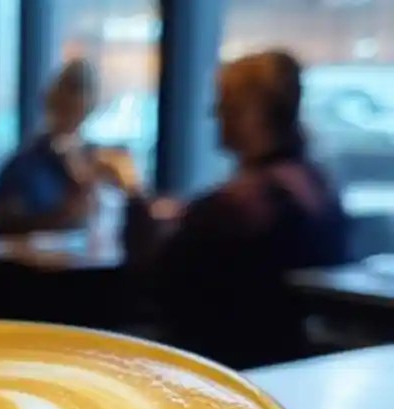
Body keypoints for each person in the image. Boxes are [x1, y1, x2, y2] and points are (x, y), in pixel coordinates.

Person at [100, 51, 349, 369]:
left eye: (224, 103)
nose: (213, 114)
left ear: (251, 113)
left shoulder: (240, 206)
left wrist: (131, 191)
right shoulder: (317, 185)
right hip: (293, 366)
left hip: (219, 368)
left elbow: (153, 280)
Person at [0, 59, 101, 234]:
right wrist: (65, 213)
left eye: (79, 115)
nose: (72, 123)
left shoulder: (94, 162)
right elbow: (8, 228)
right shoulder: (22, 168)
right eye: (66, 111)